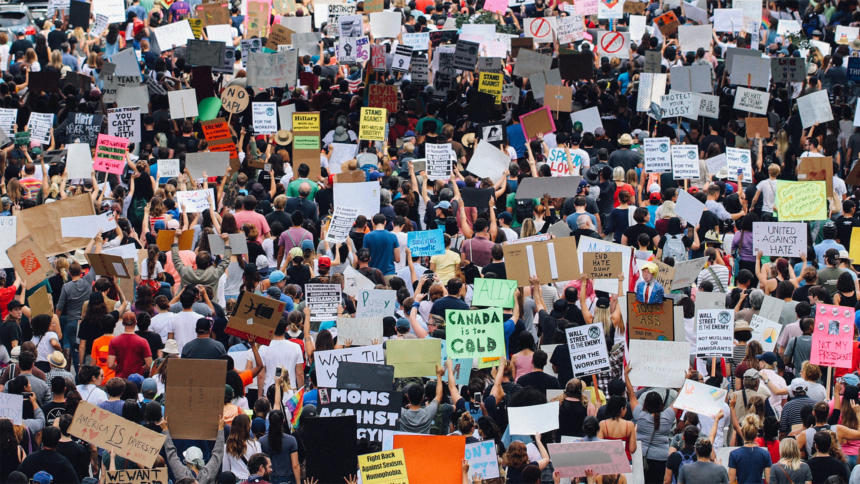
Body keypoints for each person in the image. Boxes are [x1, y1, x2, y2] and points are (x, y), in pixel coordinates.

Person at [728, 415, 772, 484]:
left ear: (742, 431)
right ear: (756, 432)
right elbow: (769, 480)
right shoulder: (765, 453)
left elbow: (732, 481)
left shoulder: (734, 454)